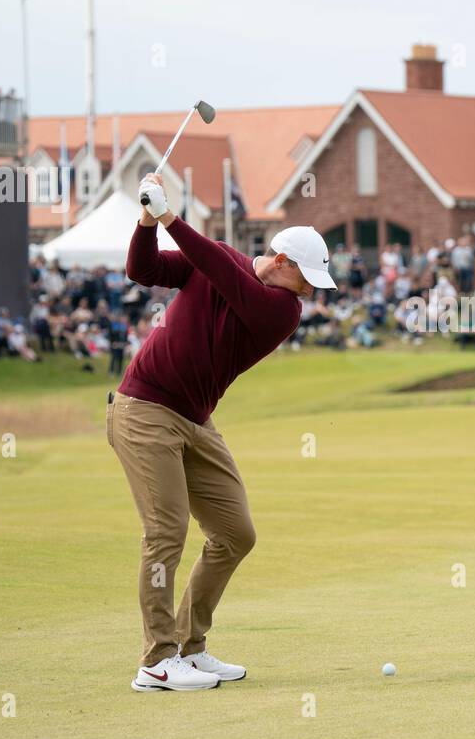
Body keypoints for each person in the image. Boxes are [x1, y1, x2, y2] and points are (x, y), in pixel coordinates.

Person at [111, 172, 335, 693]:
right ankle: (158, 661)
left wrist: (170, 216)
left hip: (194, 418)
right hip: (143, 409)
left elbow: (219, 268)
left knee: (236, 533)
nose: (310, 292)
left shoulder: (283, 311)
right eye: (306, 278)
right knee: (166, 532)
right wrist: (148, 221)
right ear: (281, 262)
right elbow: (140, 269)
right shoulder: (219, 259)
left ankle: (191, 646)